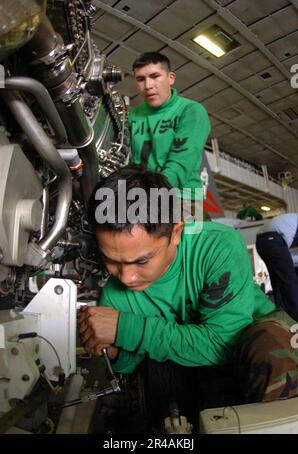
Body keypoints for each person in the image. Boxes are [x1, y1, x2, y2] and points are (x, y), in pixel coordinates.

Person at [79, 165, 298, 427]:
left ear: (176, 232)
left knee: (270, 343)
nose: (126, 277)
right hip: (185, 368)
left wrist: (126, 327)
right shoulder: (115, 293)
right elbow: (132, 362)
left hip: (250, 349)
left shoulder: (217, 246)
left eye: (142, 260)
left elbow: (222, 344)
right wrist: (113, 351)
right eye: (112, 261)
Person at [128, 52, 211, 219]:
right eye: (140, 79)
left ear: (171, 78)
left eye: (155, 76)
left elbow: (180, 163)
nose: (148, 85)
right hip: (142, 200)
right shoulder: (131, 116)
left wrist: (154, 196)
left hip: (184, 199)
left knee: (184, 244)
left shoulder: (191, 111)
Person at [256, 213, 298, 321]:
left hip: (262, 241)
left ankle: (283, 317)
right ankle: (295, 320)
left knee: (278, 281)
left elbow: (290, 259)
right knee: (290, 281)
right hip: (271, 238)